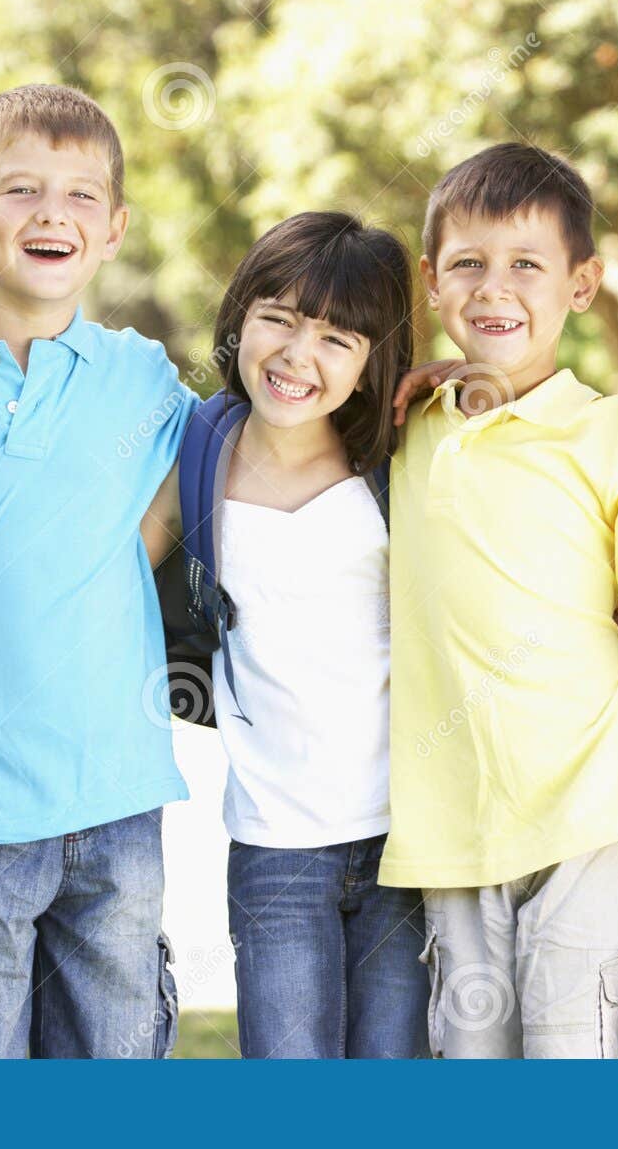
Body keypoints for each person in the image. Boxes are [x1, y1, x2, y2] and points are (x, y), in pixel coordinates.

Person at [0, 84, 194, 1058]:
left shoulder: (144, 377)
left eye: (80, 195)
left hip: (117, 799)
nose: (52, 212)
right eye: (21, 190)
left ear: (112, 231)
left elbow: (223, 471)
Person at [378, 142, 618, 1058]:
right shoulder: (399, 426)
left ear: (582, 284)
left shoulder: (616, 435)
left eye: (526, 266)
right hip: (451, 826)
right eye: (468, 264)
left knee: (579, 1056)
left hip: (591, 810)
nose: (494, 289)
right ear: (431, 280)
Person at [145, 211, 429, 1058]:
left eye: (338, 337)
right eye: (279, 317)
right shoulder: (196, 450)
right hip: (276, 846)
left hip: (405, 840)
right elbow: (107, 584)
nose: (299, 355)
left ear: (375, 360)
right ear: (239, 319)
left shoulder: (399, 455)